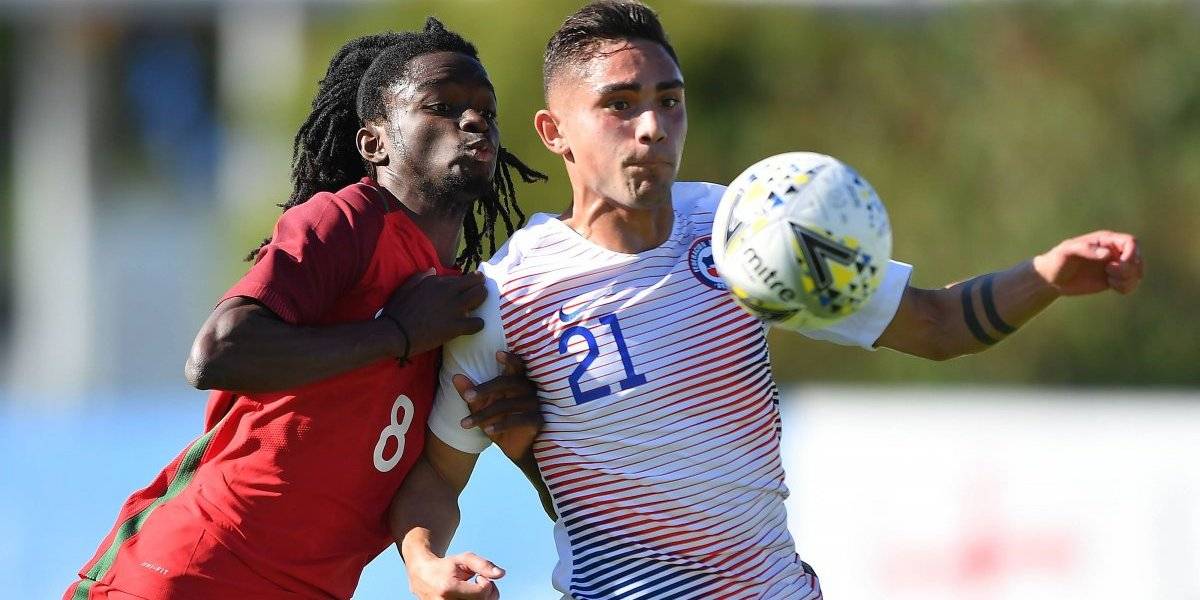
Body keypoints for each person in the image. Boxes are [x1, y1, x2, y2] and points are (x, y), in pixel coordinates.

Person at [390, 3, 1145, 599]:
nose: (652, 127)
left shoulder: (746, 226)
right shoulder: (507, 295)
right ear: (554, 131)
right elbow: (436, 475)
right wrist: (424, 563)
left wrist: (1046, 275)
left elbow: (939, 323)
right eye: (619, 104)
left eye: (669, 101)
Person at [64, 19, 547, 600]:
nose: (473, 121)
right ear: (375, 144)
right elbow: (217, 352)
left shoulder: (467, 302)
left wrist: (426, 558)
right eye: (441, 107)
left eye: (486, 110)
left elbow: (433, 476)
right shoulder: (347, 220)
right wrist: (397, 333)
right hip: (187, 570)